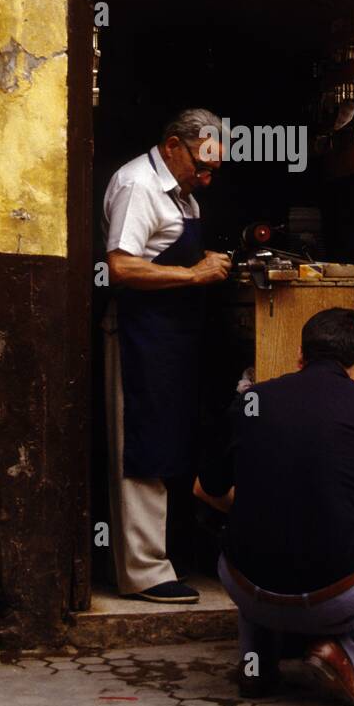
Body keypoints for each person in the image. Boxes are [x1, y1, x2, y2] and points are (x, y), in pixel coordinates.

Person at [195, 308, 354, 706]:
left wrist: (262, 500)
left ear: (300, 357)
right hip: (338, 599)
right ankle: (343, 653)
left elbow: (205, 490)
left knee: (258, 534)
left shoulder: (250, 401)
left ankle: (256, 662)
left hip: (248, 587)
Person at [102, 109, 232, 603]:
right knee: (141, 446)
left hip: (171, 335)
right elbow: (120, 267)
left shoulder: (184, 195)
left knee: (169, 439)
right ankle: (143, 572)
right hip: (139, 332)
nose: (206, 177)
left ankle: (168, 555)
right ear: (173, 145)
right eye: (201, 164)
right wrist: (195, 275)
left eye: (214, 170)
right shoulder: (138, 185)